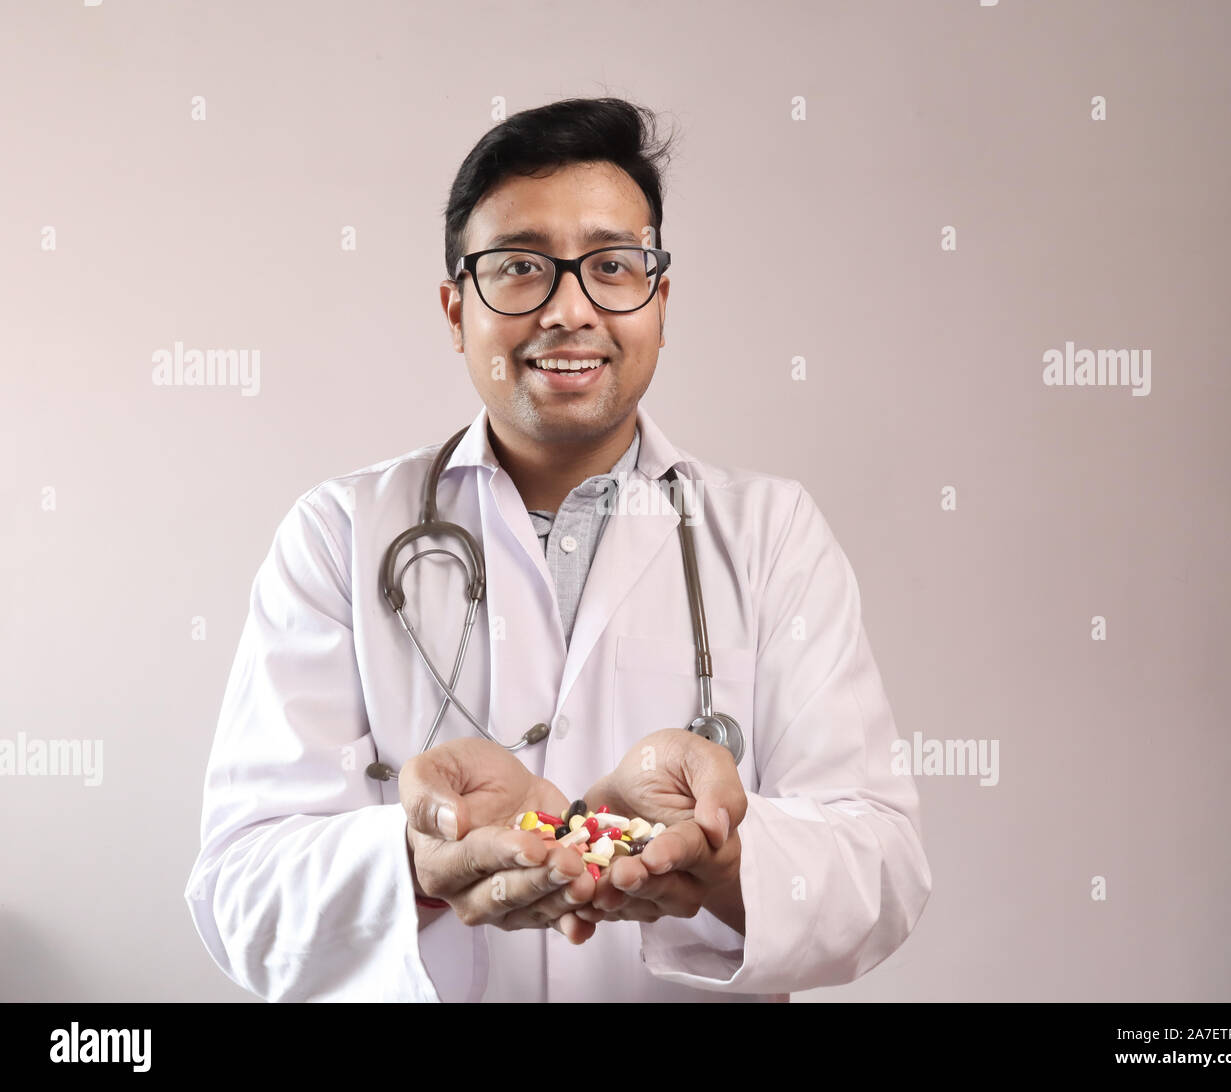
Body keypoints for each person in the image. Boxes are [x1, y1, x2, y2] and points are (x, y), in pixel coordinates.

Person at [183, 97, 932, 1002]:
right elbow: (241, 890)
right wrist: (419, 861)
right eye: (520, 268)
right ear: (457, 309)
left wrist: (728, 861)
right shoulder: (338, 534)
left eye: (612, 266)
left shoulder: (772, 532)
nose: (569, 308)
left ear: (659, 301)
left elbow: (882, 866)